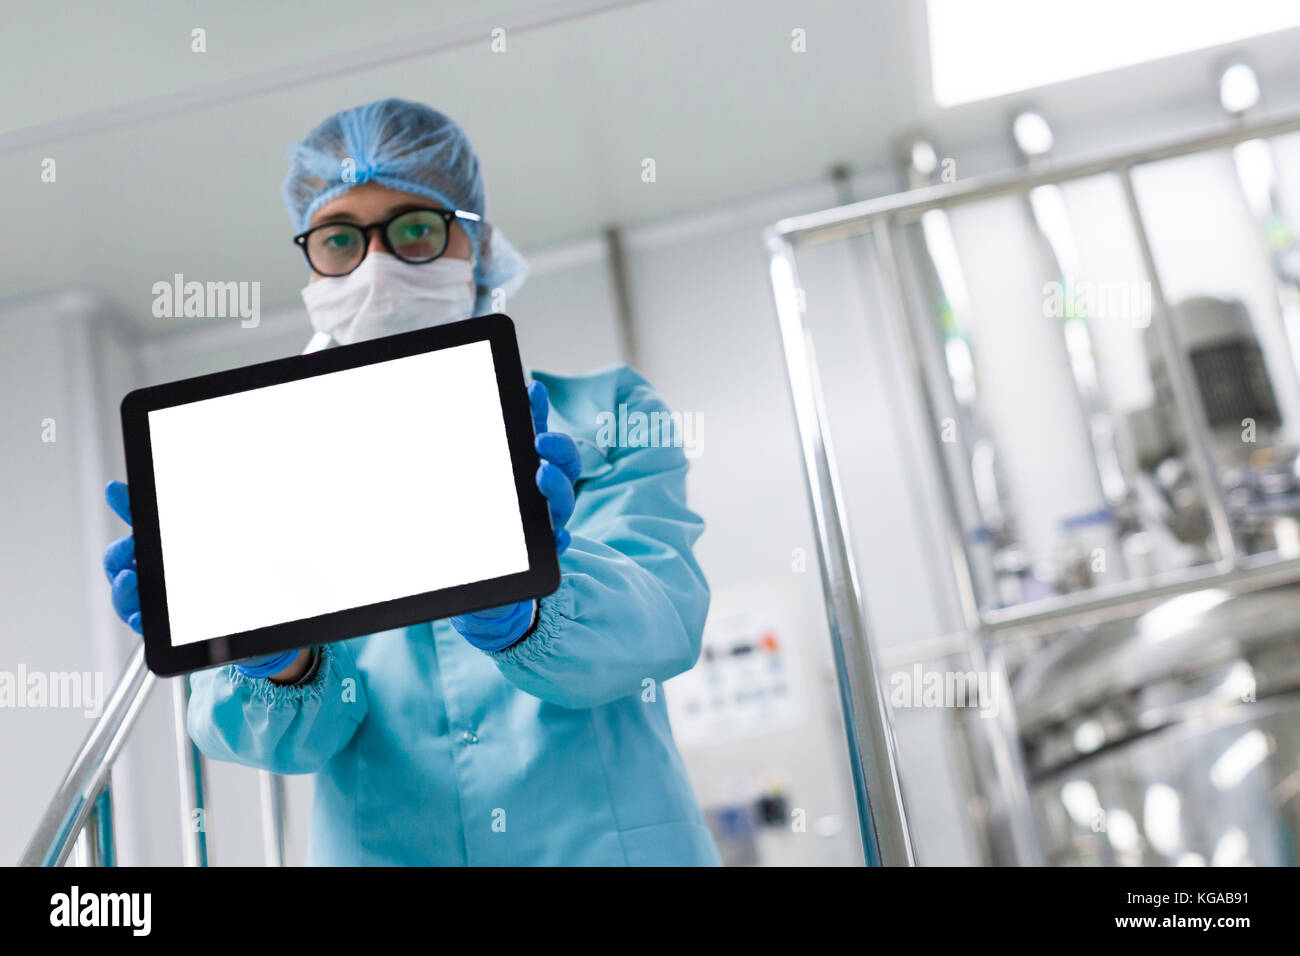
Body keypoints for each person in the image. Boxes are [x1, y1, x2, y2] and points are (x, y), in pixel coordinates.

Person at [101, 97, 719, 866]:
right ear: (310, 262)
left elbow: (663, 620)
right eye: (338, 239)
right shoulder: (275, 464)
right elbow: (294, 741)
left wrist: (536, 609)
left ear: (478, 244)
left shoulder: (607, 414)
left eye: (416, 229)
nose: (378, 266)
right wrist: (273, 656)